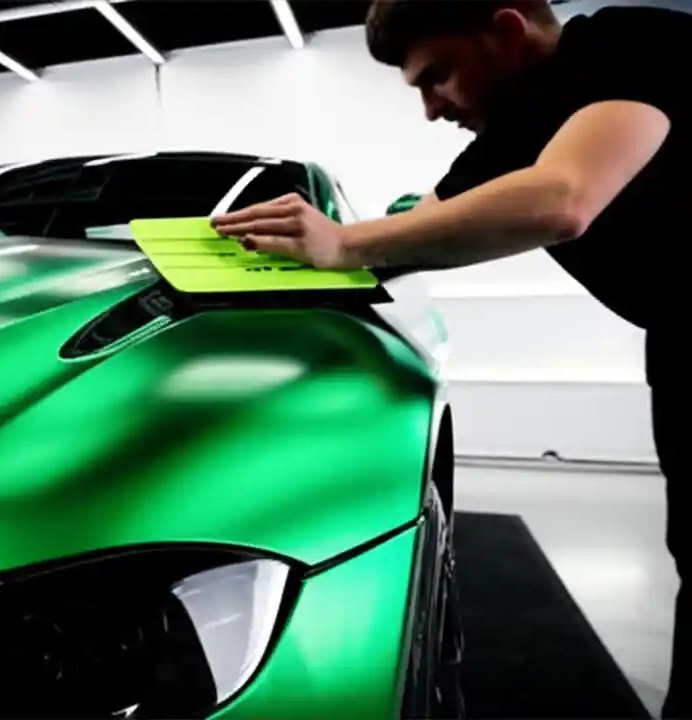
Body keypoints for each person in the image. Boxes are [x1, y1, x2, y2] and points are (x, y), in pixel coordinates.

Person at [211, 0, 689, 715]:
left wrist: (344, 243)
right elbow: (410, 234)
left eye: (439, 76)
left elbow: (564, 199)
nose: (433, 109)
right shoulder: (509, 141)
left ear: (504, 30)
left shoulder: (625, 42)